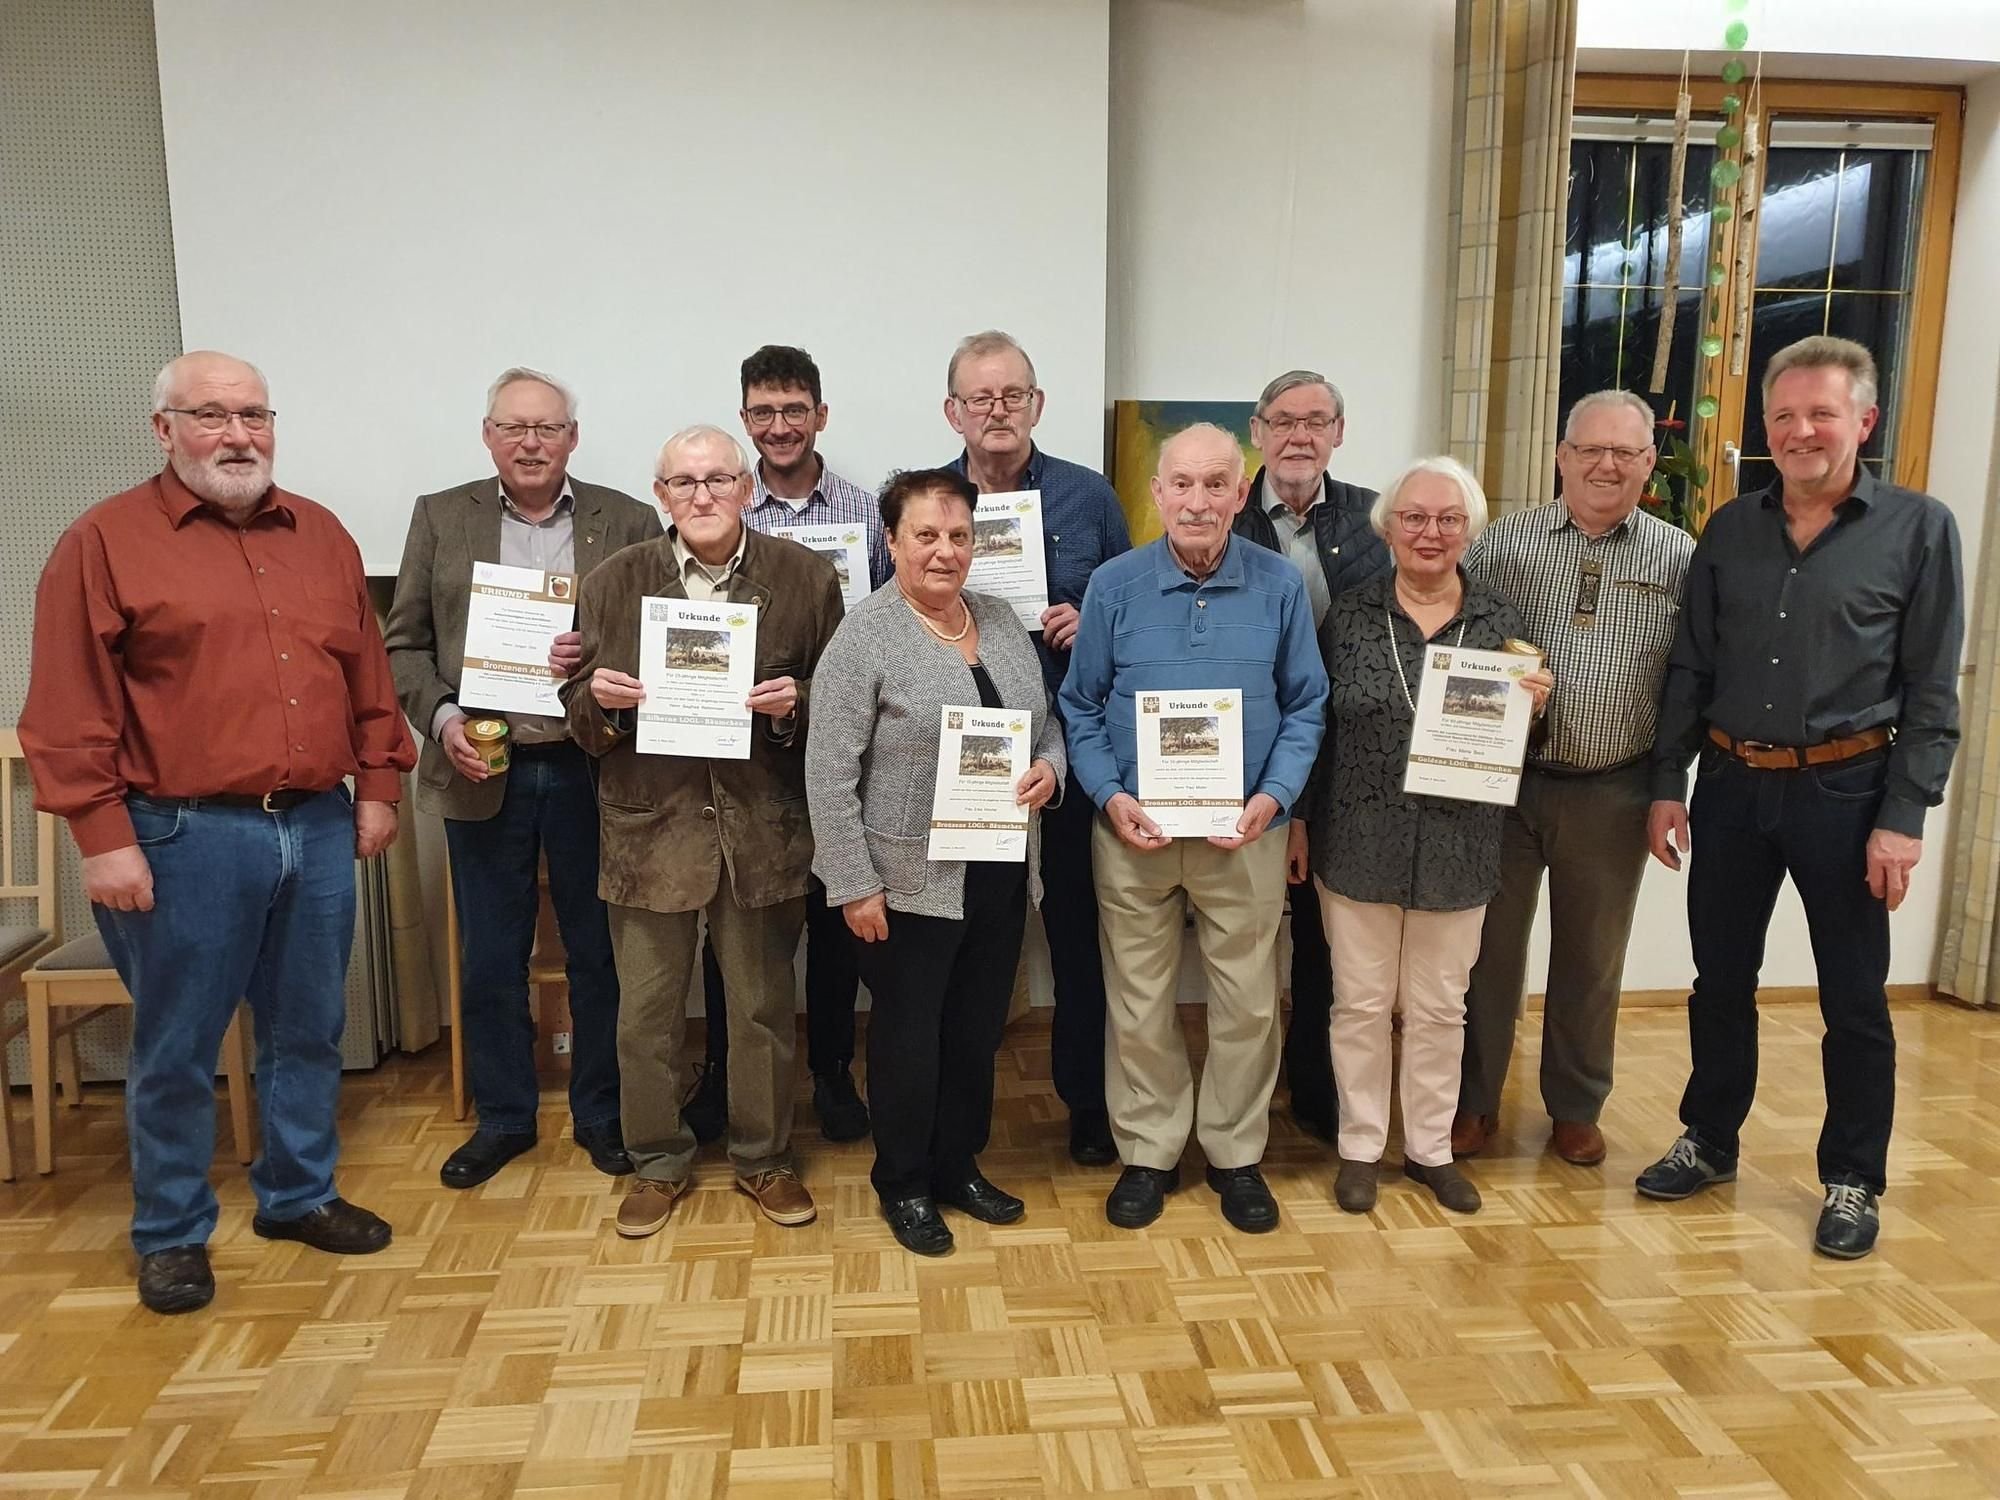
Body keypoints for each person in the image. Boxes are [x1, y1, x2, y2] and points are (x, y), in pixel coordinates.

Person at [20, 351, 416, 1314]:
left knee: (309, 1029)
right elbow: (69, 704)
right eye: (210, 416)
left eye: (254, 416)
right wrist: (101, 836)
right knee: (177, 1046)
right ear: (164, 430)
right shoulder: (103, 541)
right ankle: (170, 1232)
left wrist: (379, 787)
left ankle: (298, 1194)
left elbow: (367, 677)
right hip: (179, 834)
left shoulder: (321, 533)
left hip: (316, 825)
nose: (237, 436)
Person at [1637, 336, 1963, 1260]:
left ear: (1865, 420)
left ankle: (1853, 1177)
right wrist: (1667, 783)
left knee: (1854, 999)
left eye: (1822, 412)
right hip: (1732, 785)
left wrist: (1903, 818)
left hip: (1849, 793)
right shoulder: (1731, 529)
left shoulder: (1920, 529)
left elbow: (1933, 690)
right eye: (1783, 416)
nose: (1801, 431)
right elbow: (1692, 665)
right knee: (1719, 981)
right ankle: (1710, 1137)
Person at [561, 425, 843, 1236]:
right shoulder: (614, 581)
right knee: (646, 1017)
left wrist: (796, 706)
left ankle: (764, 1157)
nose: (703, 495)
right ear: (661, 495)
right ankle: (656, 1160)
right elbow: (578, 713)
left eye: (719, 479)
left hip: (762, 832)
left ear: (748, 487)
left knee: (760, 1011)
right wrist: (602, 704)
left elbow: (838, 697)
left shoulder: (805, 577)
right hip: (650, 834)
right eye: (684, 483)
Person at [384, 366, 661, 1190]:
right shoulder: (440, 516)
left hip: (590, 767)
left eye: (547, 428)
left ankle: (600, 1112)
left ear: (573, 438)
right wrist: (443, 720)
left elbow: (652, 640)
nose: (531, 443)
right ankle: (504, 1117)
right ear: (488, 435)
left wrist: (597, 655)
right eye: (514, 428)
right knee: (490, 957)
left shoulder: (628, 518)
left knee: (599, 955)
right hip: (483, 762)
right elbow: (404, 645)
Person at [1061, 424, 1328, 1234]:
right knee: (1138, 1001)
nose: (1198, 501)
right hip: (1133, 833)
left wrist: (1274, 798)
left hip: (1245, 834)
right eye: (1182, 483)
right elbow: (1080, 703)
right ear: (1157, 493)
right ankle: (1149, 1151)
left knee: (1248, 1001)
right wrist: (1109, 795)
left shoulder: (1280, 586)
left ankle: (1236, 1154)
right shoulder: (1113, 586)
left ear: (1242, 494)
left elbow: (1307, 704)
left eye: (1217, 484)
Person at [807, 468, 1063, 1255]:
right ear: (892, 542)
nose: (944, 551)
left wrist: (1049, 771)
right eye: (926, 535)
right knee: (909, 1039)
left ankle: (958, 1165)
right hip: (906, 883)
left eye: (958, 535)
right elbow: (828, 770)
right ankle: (905, 1182)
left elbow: (1046, 725)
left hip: (998, 872)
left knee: (976, 1031)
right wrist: (854, 885)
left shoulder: (1000, 619)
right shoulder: (865, 635)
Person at [1452, 390, 1693, 1166]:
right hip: (1506, 784)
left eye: (1625, 452)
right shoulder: (1503, 544)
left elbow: (1692, 678)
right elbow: (1455, 641)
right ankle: (1474, 1102)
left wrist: (1671, 785)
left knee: (1592, 959)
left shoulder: (1679, 559)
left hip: (1615, 786)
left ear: (1649, 464)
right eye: (1591, 449)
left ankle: (1576, 1107)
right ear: (1561, 456)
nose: (1606, 465)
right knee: (1487, 953)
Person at [1306, 457, 1550, 1216]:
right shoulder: (1349, 615)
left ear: (1469, 530)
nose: (1430, 532)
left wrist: (1535, 711)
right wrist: (1300, 823)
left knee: (1442, 1007)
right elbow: (1313, 728)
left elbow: (1522, 749)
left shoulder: (1503, 625)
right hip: (1357, 841)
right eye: (1414, 517)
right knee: (1360, 1004)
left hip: (1460, 845)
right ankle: (1359, 1147)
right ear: (1387, 529)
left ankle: (1430, 1150)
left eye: (1448, 519)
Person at [689, 344, 888, 1148]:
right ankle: (723, 1074)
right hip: (748, 762)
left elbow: (894, 616)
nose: (779, 426)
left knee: (836, 925)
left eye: (794, 410)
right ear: (745, 419)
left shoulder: (868, 512)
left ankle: (833, 1074)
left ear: (820, 415)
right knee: (734, 929)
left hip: (846, 752)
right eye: (764, 412)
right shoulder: (723, 507)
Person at [944, 330, 1130, 1167]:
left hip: (1071, 752)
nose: (997, 410)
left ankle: (1087, 1104)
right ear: (953, 410)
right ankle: (957, 1117)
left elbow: (1135, 611)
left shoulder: (1089, 497)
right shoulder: (928, 501)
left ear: (1037, 404)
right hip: (961, 753)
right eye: (980, 397)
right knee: (966, 937)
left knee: (1079, 935)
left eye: (1012, 395)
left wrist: (1093, 625)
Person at [1233, 369, 1390, 1142]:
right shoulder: (1224, 516)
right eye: (1284, 421)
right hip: (1252, 764)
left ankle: (1318, 1091)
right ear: (1258, 431)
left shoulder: (1376, 520)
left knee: (1331, 937)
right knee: (1251, 937)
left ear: (1339, 432)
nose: (1300, 436)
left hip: (1354, 767)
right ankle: (1245, 1099)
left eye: (1316, 421)